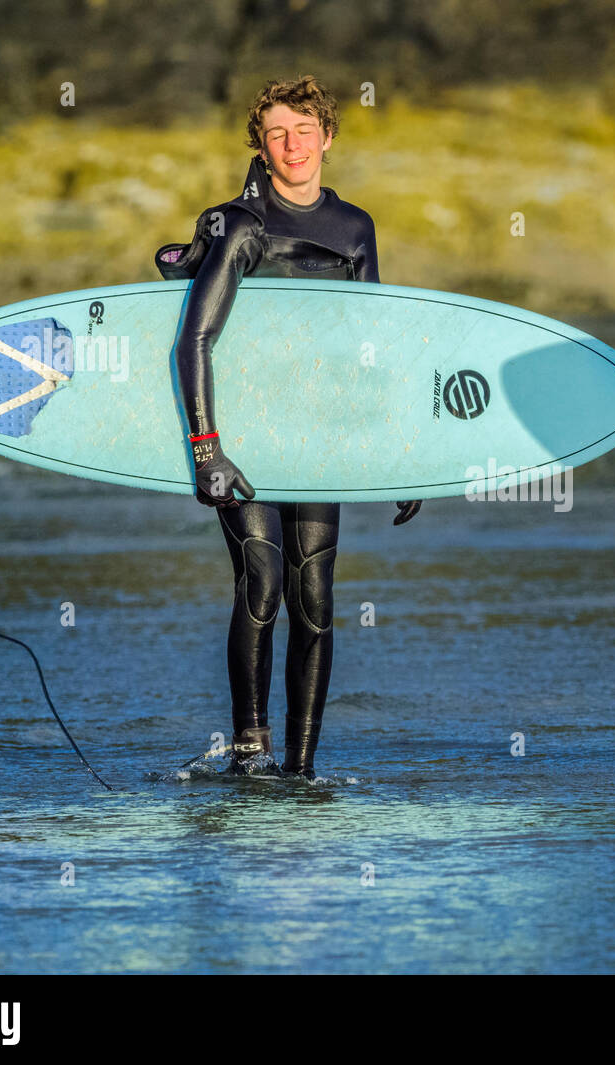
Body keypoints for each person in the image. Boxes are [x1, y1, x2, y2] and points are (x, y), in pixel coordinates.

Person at [156, 76, 420, 778]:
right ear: (260, 145)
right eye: (277, 133)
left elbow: (368, 349)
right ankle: (250, 755)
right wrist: (206, 448)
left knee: (315, 596)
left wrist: (404, 451)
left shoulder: (354, 229)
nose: (292, 145)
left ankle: (301, 774)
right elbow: (195, 340)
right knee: (264, 579)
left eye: (304, 131)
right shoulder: (240, 226)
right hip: (238, 436)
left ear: (328, 138)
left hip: (315, 431)